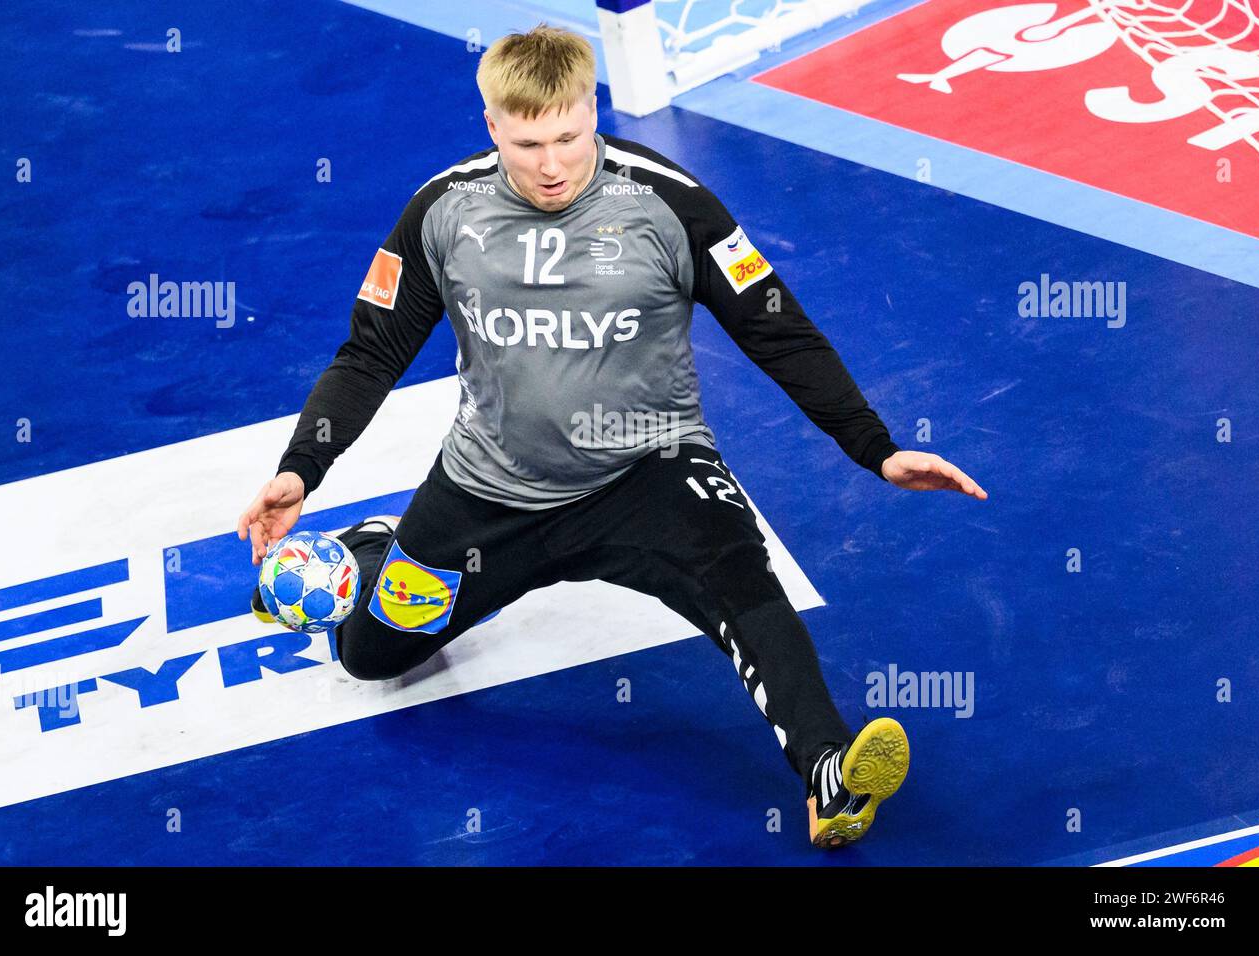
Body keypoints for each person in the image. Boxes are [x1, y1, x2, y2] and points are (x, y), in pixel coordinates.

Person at [236, 24, 987, 849]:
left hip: (651, 470)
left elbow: (777, 330)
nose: (551, 165)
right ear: (492, 127)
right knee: (372, 655)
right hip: (490, 493)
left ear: (591, 112)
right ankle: (376, 548)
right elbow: (371, 350)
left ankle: (830, 772)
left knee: (743, 582)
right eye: (527, 143)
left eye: (567, 136)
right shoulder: (443, 212)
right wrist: (301, 468)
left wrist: (873, 446)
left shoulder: (669, 204)